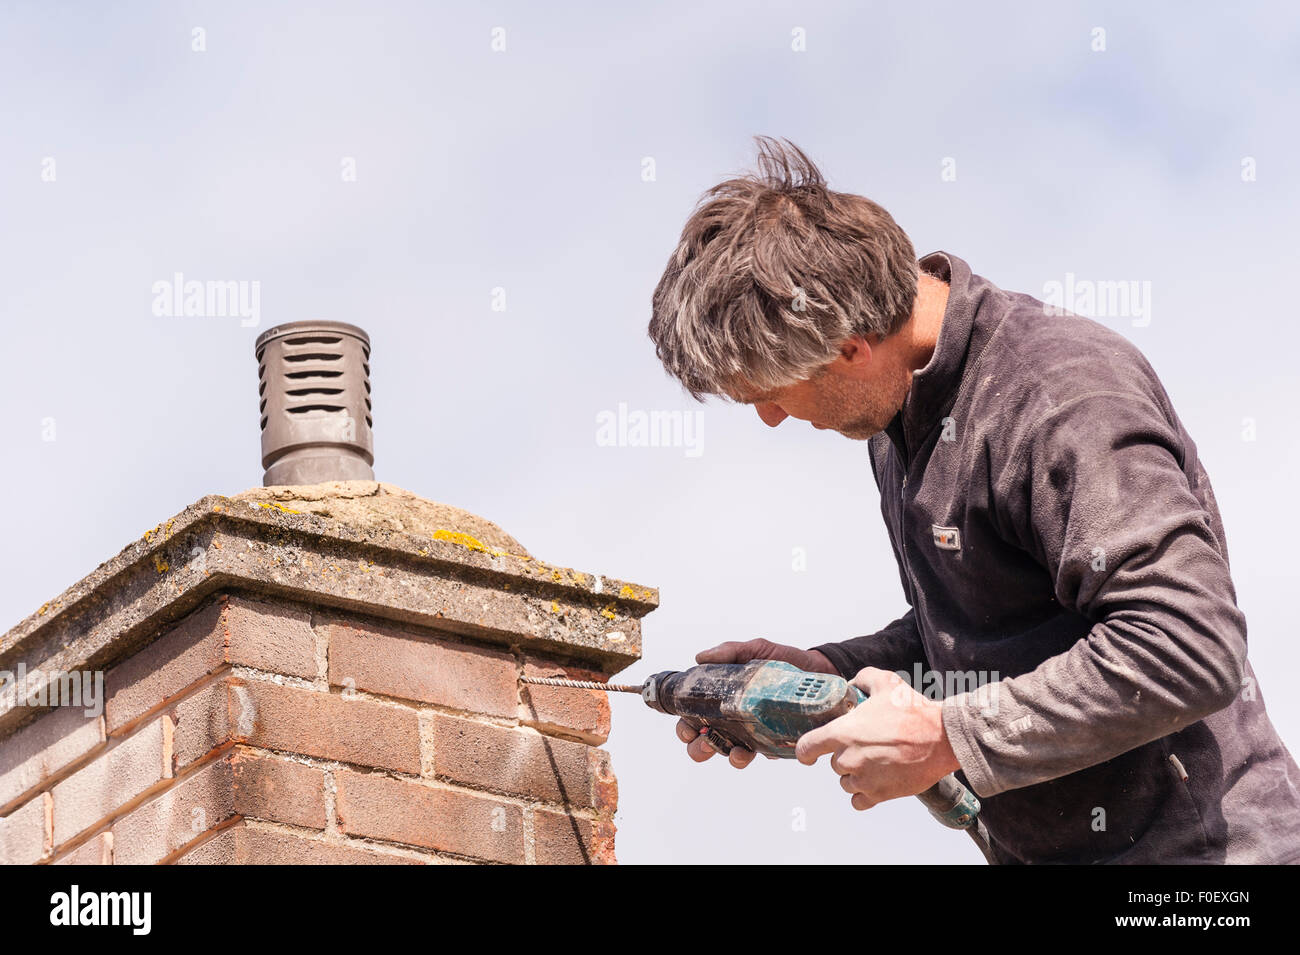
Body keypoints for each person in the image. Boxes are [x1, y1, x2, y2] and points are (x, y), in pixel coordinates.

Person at [646, 136, 1300, 864]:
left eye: (771, 395)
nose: (771, 419)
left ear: (847, 346)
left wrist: (951, 738)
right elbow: (995, 631)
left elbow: (1187, 647)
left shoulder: (1061, 397)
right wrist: (827, 672)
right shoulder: (896, 410)